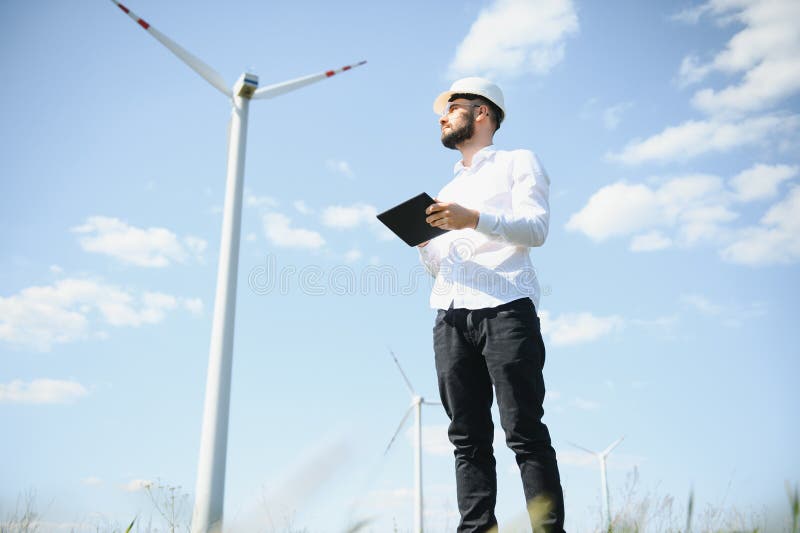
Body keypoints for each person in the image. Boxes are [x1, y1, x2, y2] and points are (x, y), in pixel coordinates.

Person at [417, 77, 565, 532]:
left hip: (505, 306)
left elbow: (536, 229)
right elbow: (439, 267)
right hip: (450, 315)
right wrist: (425, 244)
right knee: (467, 439)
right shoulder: (447, 187)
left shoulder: (519, 161)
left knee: (524, 431)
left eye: (453, 107)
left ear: (481, 113)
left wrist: (473, 218)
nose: (443, 116)